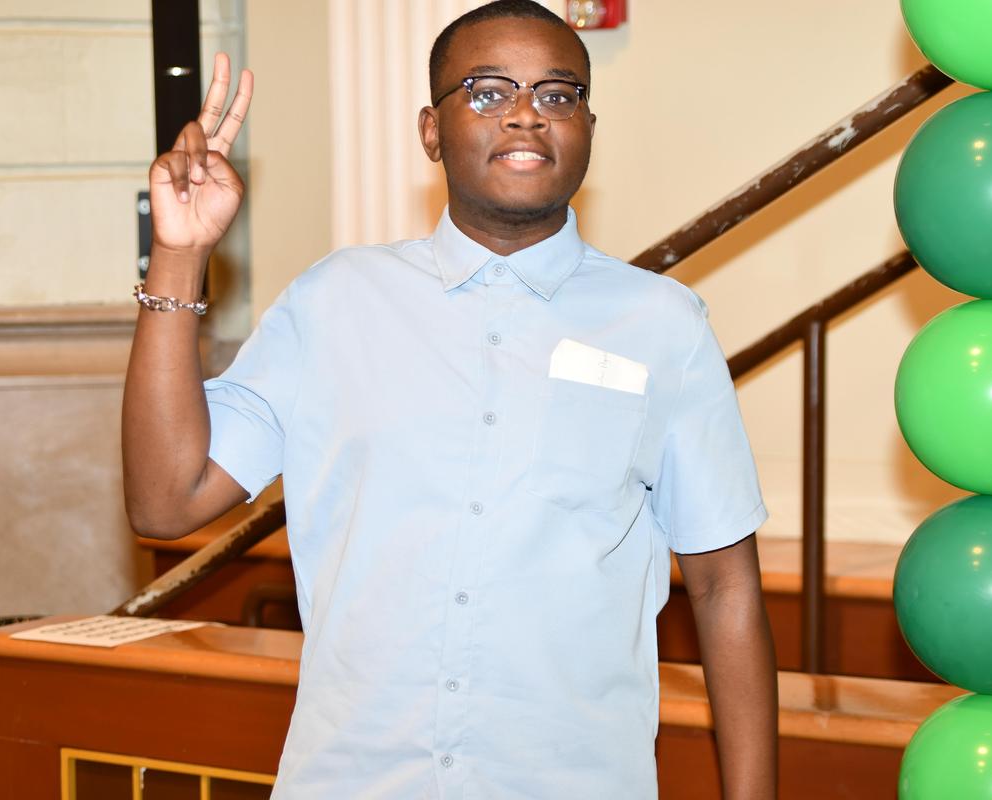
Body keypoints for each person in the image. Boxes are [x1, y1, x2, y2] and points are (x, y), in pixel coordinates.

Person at [123, 1, 777, 797]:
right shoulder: (333, 303)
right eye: (489, 92)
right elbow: (167, 501)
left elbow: (724, 586)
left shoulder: (662, 325)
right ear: (431, 130)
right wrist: (179, 256)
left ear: (588, 128)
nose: (528, 116)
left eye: (558, 94)